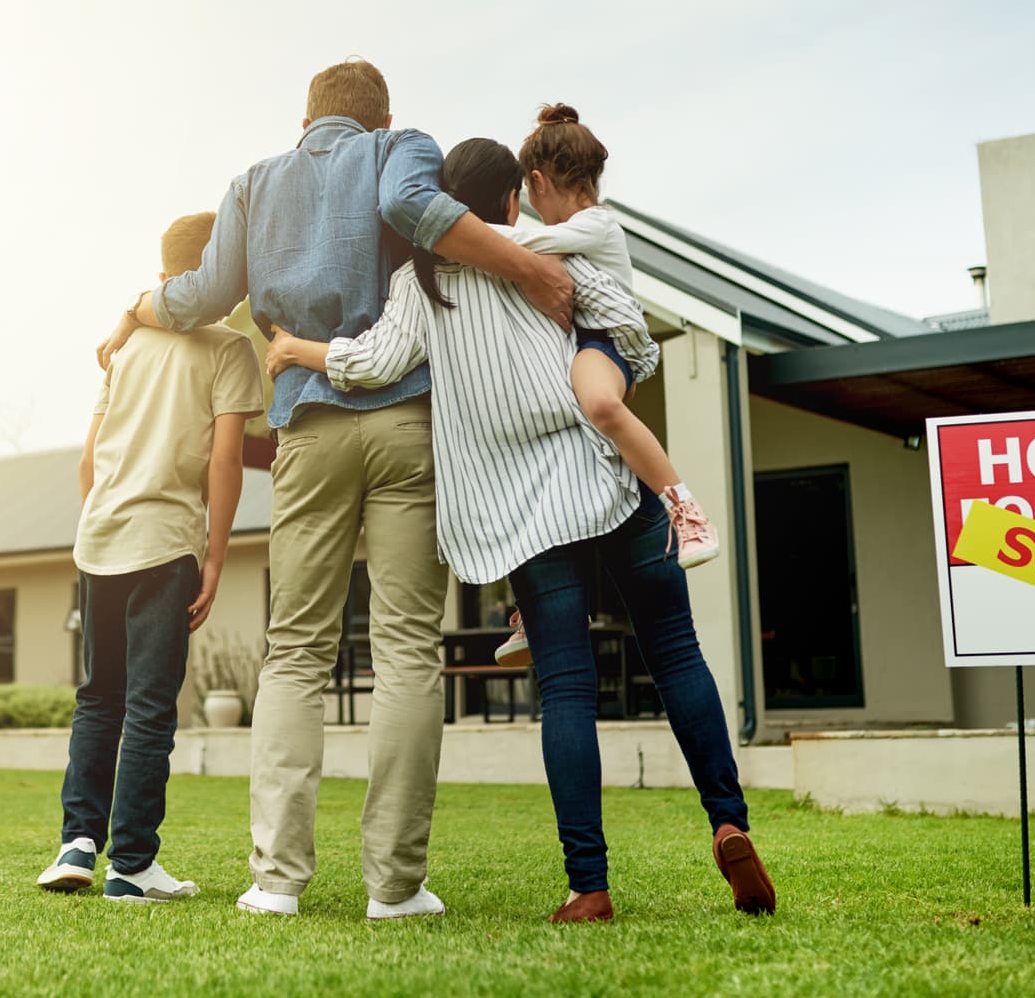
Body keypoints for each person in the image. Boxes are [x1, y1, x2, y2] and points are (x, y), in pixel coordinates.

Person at [96, 59, 575, 920]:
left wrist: (140, 303)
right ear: (380, 116)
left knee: (296, 652)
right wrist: (526, 267)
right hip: (404, 427)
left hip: (307, 429)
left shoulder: (254, 181)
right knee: (403, 651)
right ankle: (393, 886)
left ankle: (275, 880)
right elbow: (408, 210)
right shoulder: (402, 146)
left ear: (304, 121)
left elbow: (206, 293)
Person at [267, 128, 775, 924]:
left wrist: (294, 348)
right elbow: (627, 331)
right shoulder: (546, 253)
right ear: (511, 198)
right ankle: (727, 820)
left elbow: (371, 363)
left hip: (523, 516)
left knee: (566, 688)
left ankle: (588, 885)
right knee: (675, 652)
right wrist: (607, 368)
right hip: (603, 479)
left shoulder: (419, 279)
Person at [38, 211, 263, 903]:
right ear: (219, 275)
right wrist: (215, 556)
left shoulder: (125, 347)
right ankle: (131, 863)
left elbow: (87, 459)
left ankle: (77, 842)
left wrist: (100, 522)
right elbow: (225, 458)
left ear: (164, 276)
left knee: (97, 697)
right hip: (164, 544)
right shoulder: (228, 349)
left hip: (99, 539)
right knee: (148, 705)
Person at [492, 104, 718, 667]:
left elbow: (519, 250)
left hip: (605, 346)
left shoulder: (595, 224)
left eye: (529, 192)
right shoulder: (576, 227)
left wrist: (453, 231)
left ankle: (684, 509)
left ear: (539, 182)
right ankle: (531, 606)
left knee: (596, 403)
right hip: (579, 350)